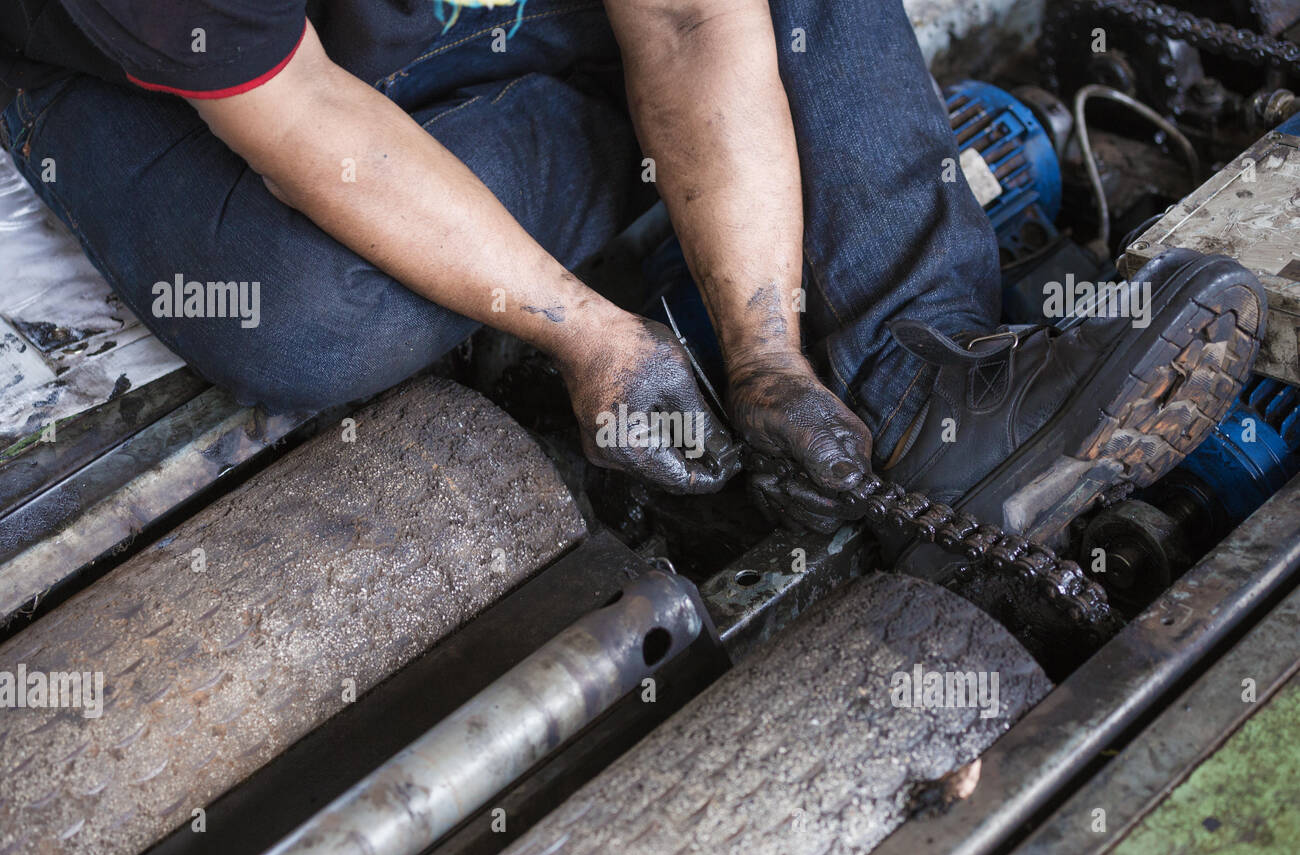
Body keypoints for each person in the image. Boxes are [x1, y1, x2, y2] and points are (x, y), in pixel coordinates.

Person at [0, 0, 1264, 550]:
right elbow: (310, 126)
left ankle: (927, 377)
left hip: (461, 36)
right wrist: (589, 335)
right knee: (297, 314)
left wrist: (763, 347)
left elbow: (690, 19)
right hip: (210, 85)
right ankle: (627, 209)